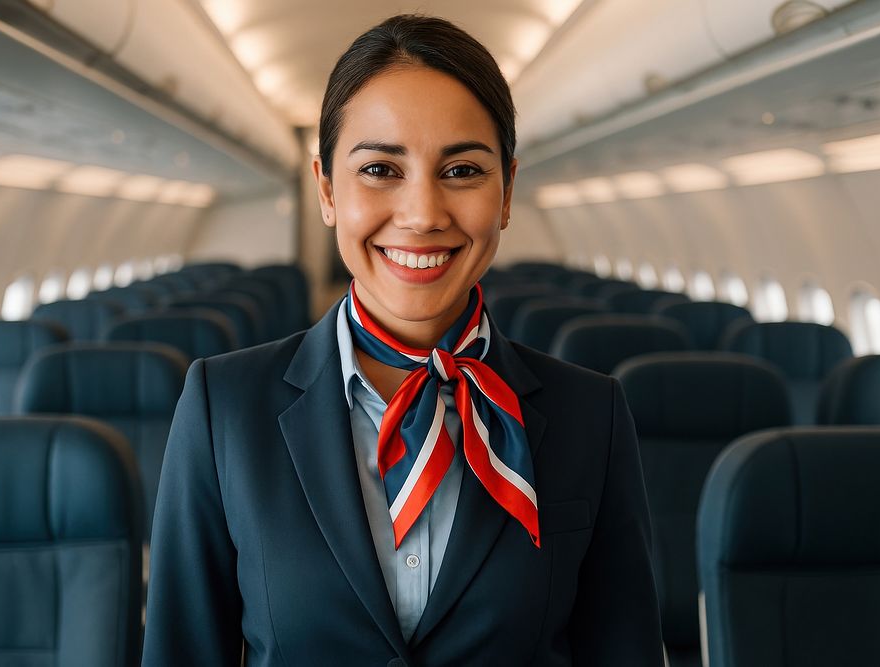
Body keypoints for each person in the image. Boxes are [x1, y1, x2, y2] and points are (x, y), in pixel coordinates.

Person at [142, 14, 663, 666]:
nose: (422, 214)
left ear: (506, 194)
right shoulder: (225, 408)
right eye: (382, 169)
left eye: (463, 170)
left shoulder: (591, 416)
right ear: (328, 188)